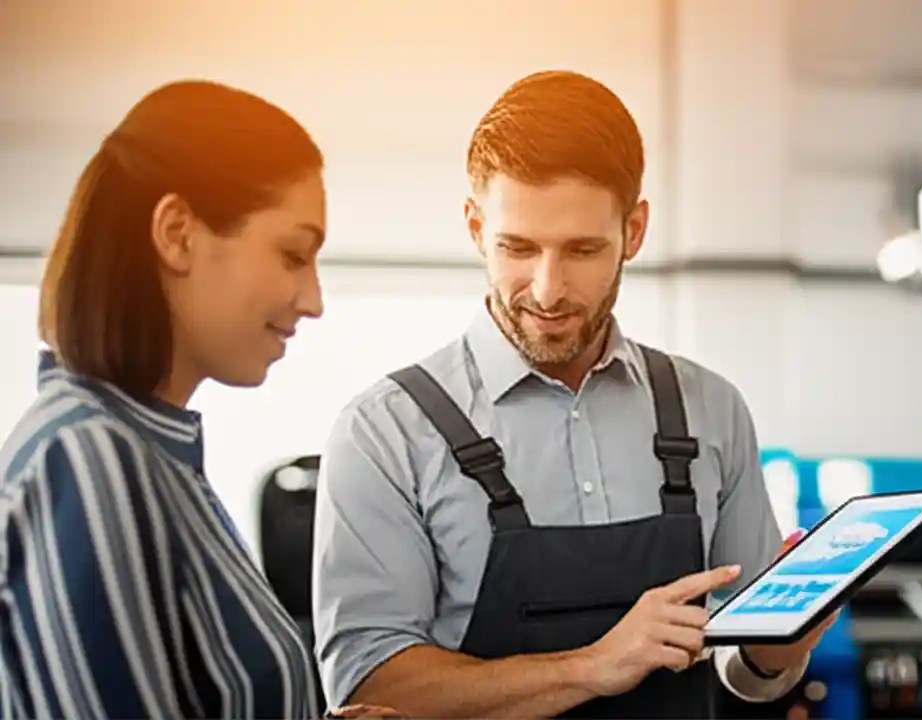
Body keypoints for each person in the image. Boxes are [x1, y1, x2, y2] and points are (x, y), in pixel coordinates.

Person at [312, 69, 838, 718]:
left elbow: (745, 672)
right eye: (517, 247)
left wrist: (777, 652)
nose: (547, 288)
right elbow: (370, 686)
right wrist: (595, 666)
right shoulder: (385, 433)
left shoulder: (712, 412)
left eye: (583, 249)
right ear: (476, 227)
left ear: (634, 232)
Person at [0, 80, 328, 719]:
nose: (314, 299)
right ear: (177, 233)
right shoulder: (89, 456)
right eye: (294, 255)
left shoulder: (153, 456)